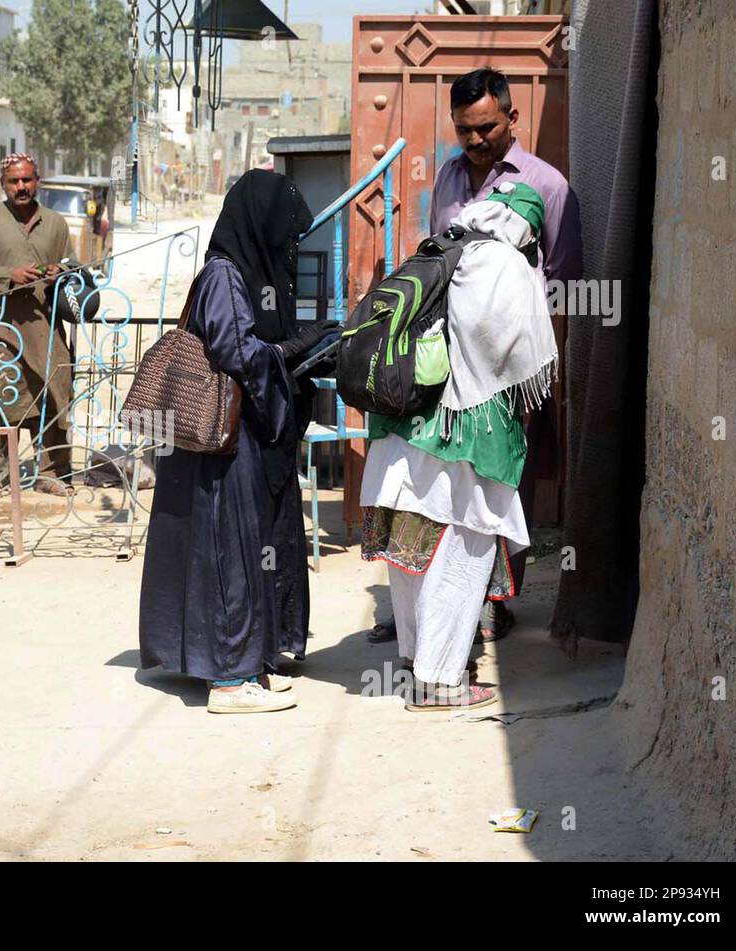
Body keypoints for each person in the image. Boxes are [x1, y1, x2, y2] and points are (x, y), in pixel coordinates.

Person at [371, 66, 584, 647]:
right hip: (448, 366)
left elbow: (563, 283)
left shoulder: (548, 186)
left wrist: (540, 369)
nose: (474, 141)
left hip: (510, 369)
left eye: (485, 127)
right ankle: (447, 604)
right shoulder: (446, 177)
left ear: (512, 117)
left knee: (501, 480)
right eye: (463, 129)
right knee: (451, 482)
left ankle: (493, 606)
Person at [138, 170, 332, 714]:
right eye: (284, 232)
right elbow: (240, 353)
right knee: (229, 552)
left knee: (251, 548)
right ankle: (229, 681)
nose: (289, 244)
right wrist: (297, 349)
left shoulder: (249, 274)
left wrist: (303, 353)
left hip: (242, 435)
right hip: (223, 445)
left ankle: (254, 658)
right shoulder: (224, 275)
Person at [360, 183, 556, 711]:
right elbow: (520, 356)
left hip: (401, 425)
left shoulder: (441, 248)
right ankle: (440, 683)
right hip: (464, 436)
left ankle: (415, 661)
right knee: (461, 555)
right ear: (524, 227)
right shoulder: (504, 264)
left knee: (410, 553)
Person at [0, 153, 75, 495]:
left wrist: (61, 273)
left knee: (53, 393)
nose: (21, 187)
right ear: (3, 184)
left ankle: (51, 472)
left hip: (46, 328)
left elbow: (72, 266)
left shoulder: (56, 224)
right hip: (2, 327)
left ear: (37, 181)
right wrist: (8, 276)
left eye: (27, 180)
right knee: (1, 397)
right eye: (14, 181)